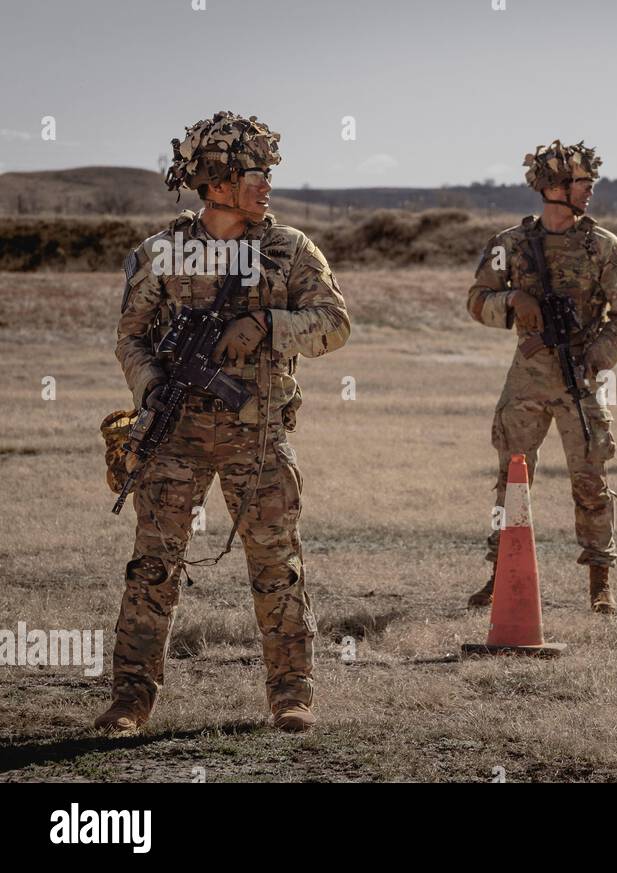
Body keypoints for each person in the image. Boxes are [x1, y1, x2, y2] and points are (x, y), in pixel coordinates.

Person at [95, 112, 350, 734]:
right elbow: (130, 337)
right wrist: (153, 387)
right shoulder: (162, 252)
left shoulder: (290, 250)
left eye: (266, 170)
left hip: (257, 436)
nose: (266, 183)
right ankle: (131, 699)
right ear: (216, 181)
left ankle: (291, 695)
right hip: (175, 433)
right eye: (253, 172)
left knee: (276, 567)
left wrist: (268, 325)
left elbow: (334, 324)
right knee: (152, 567)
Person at [465, 140, 617, 615]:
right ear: (553, 188)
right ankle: (500, 574)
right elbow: (477, 298)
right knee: (512, 480)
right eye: (583, 182)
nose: (590, 191)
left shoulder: (604, 247)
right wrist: (513, 302)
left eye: (589, 182)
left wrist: (593, 359)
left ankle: (600, 584)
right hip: (526, 379)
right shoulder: (511, 244)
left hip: (579, 380)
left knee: (591, 480)